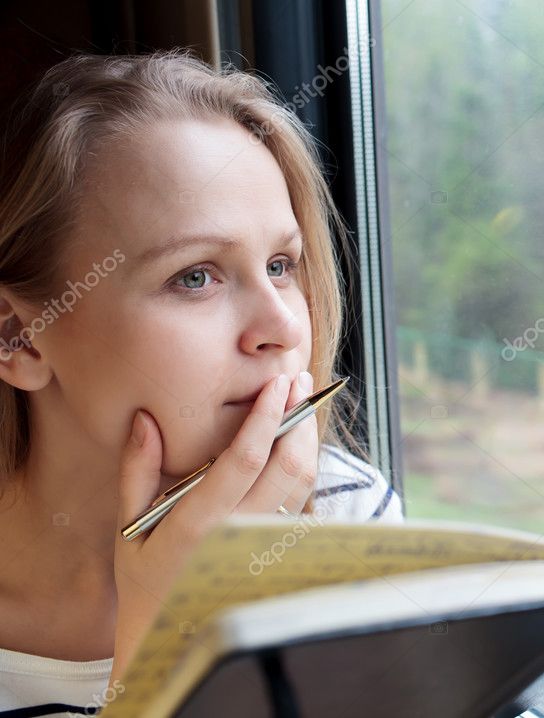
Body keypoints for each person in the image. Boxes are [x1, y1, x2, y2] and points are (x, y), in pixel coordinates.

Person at [0, 48, 403, 715]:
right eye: (195, 277)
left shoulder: (345, 514)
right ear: (15, 336)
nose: (281, 328)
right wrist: (171, 631)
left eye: (280, 265)